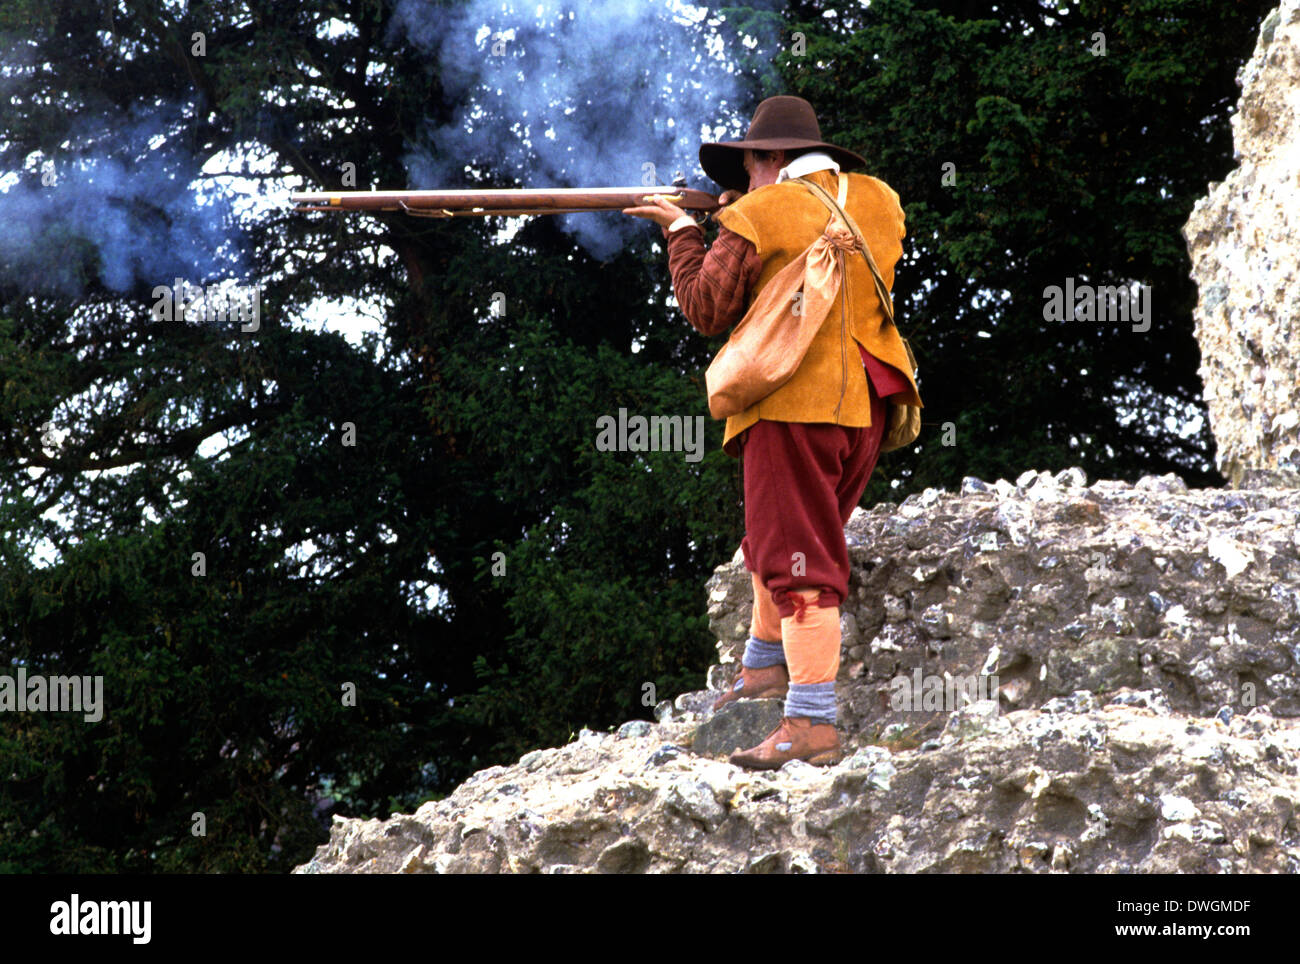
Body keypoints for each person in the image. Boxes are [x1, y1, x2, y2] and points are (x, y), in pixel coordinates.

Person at [623, 95, 922, 769]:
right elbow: (811, 225)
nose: (747, 178)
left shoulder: (758, 213)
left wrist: (682, 232)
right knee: (774, 540)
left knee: (802, 564)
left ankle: (812, 724)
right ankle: (763, 669)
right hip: (869, 406)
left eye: (750, 165)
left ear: (769, 160)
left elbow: (706, 307)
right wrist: (735, 213)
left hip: (796, 408)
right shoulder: (880, 201)